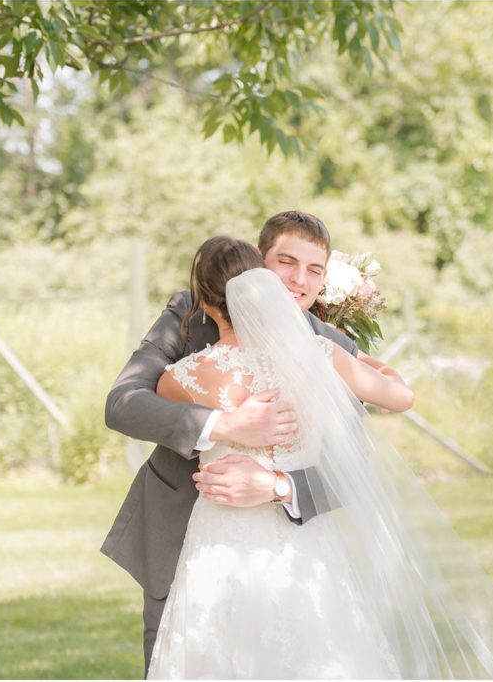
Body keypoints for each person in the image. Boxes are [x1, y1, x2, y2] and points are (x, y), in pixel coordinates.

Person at [146, 238, 493, 678]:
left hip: (220, 539)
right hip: (302, 544)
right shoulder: (322, 357)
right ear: (266, 288)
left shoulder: (181, 378)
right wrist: (358, 356)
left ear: (207, 305)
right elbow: (401, 396)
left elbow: (155, 408)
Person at [101, 211, 400, 674]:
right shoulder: (189, 312)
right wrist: (223, 424)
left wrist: (279, 485)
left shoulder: (319, 339)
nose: (299, 281)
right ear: (258, 262)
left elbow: (356, 462)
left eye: (315, 270)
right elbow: (123, 402)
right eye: (286, 262)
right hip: (182, 540)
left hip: (291, 547)